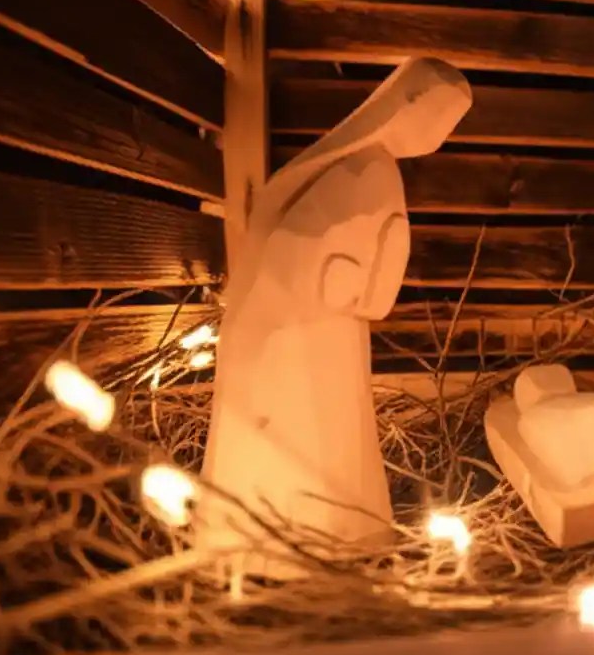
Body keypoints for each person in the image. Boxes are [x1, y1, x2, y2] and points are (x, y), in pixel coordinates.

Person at [199, 58, 472, 577]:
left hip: (332, 327)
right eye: (437, 115)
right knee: (303, 433)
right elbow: (303, 244)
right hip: (306, 327)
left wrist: (362, 285)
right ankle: (289, 540)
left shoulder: (375, 169)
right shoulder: (359, 169)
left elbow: (382, 249)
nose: (440, 133)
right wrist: (341, 280)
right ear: (405, 106)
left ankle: (332, 534)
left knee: (335, 436)